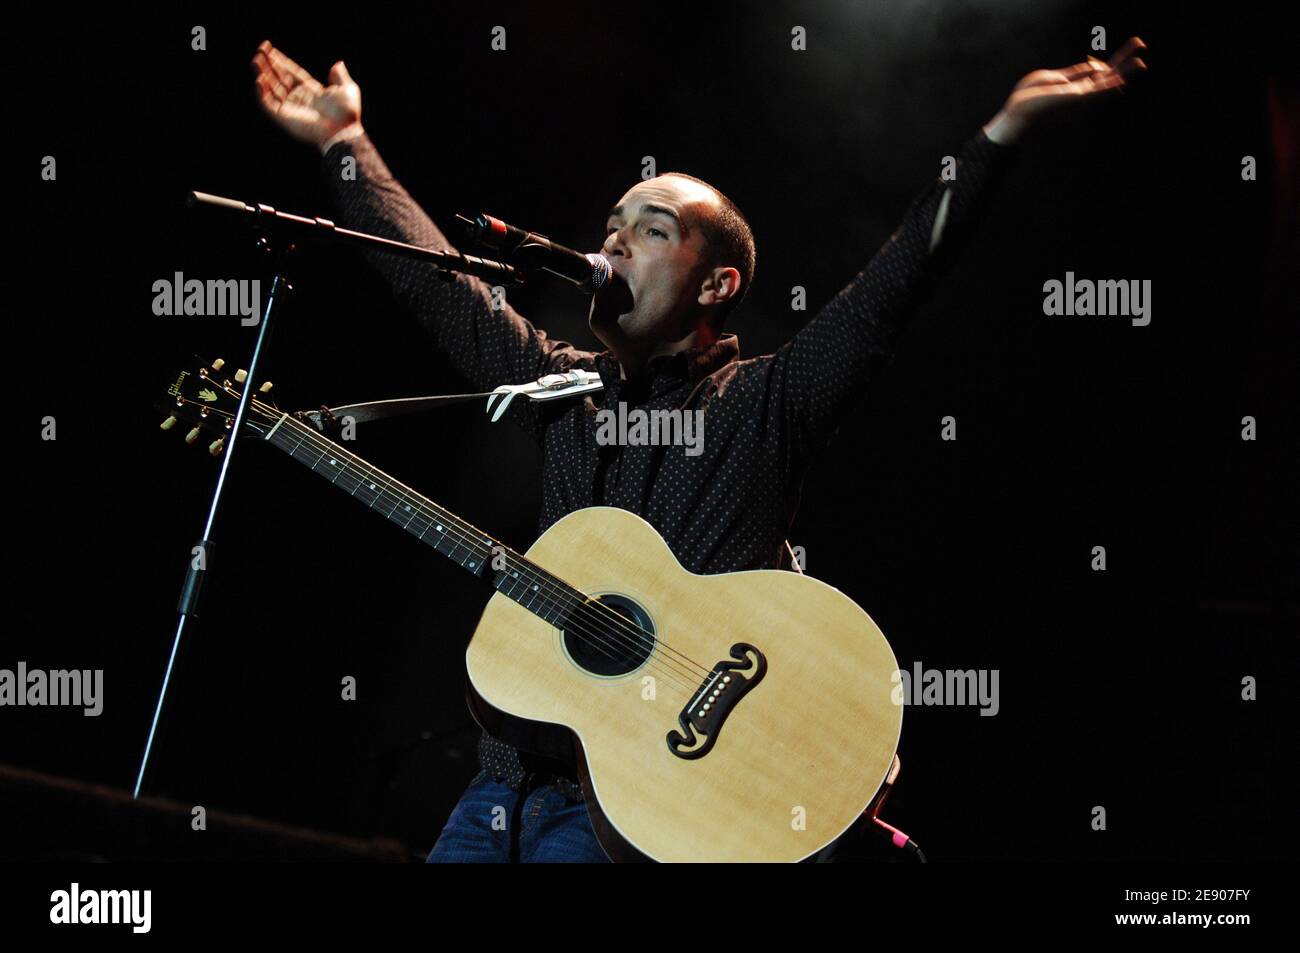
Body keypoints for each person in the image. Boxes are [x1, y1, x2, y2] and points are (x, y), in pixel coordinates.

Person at [250, 36, 1147, 862]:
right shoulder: (562, 390)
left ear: (718, 282)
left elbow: (898, 285)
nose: (612, 241)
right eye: (613, 224)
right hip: (497, 793)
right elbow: (442, 285)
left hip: (640, 805)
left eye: (651, 229)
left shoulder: (768, 402)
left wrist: (1000, 134)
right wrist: (345, 142)